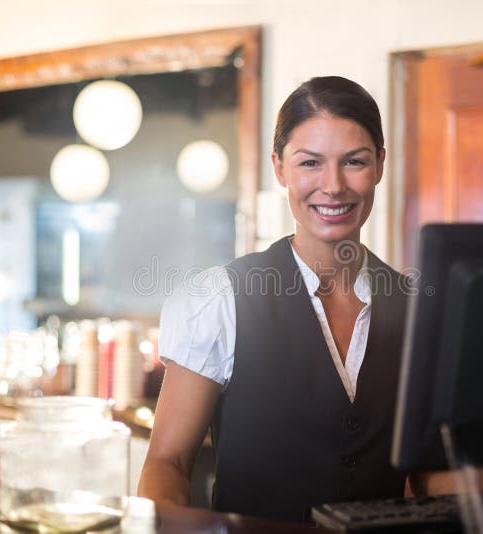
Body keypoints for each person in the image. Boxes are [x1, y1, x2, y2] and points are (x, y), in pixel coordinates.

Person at [138, 76, 411, 523]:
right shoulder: (220, 300)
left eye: (354, 162)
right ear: (280, 168)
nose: (333, 185)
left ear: (380, 164)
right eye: (310, 163)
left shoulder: (418, 310)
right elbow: (167, 462)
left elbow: (427, 475)